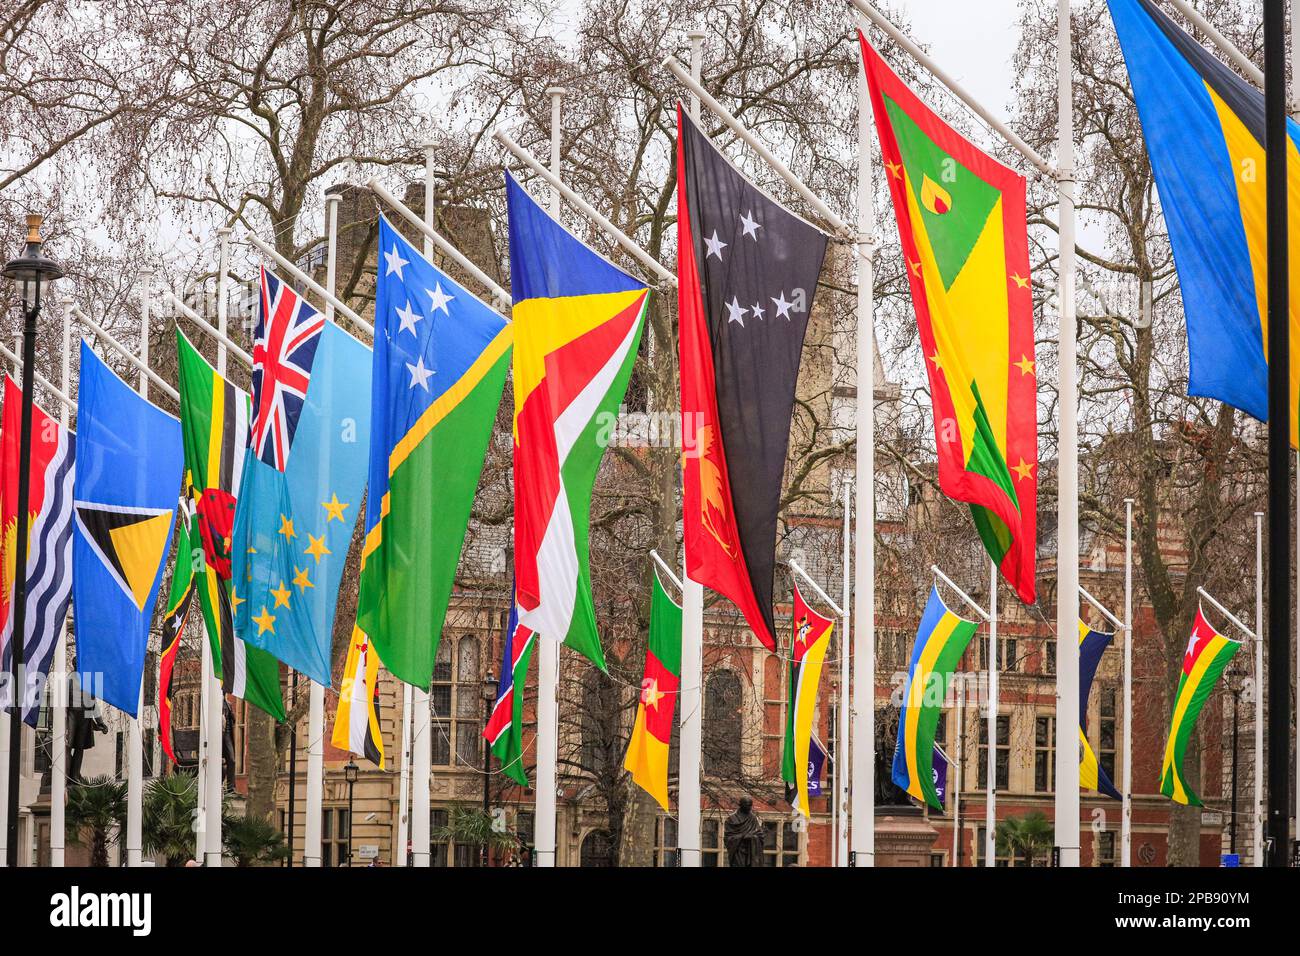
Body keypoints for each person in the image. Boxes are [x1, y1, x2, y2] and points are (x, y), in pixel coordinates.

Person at [723, 797, 763, 867]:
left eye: (750, 805)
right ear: (740, 805)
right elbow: (728, 838)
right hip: (737, 851)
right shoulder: (731, 819)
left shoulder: (753, 818)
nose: (749, 808)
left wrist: (754, 837)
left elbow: (760, 834)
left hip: (751, 850)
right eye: (747, 805)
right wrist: (743, 836)